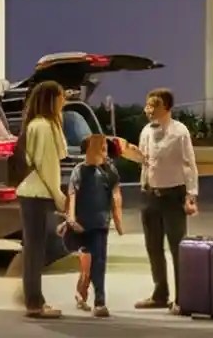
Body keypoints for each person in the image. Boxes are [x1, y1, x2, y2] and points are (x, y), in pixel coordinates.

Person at [118, 88, 199, 313]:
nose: (150, 109)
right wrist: (128, 152)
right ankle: (160, 293)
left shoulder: (179, 132)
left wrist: (191, 196)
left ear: (167, 108)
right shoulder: (146, 131)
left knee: (177, 247)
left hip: (173, 195)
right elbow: (144, 160)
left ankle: (183, 297)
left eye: (155, 104)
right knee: (153, 247)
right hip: (150, 195)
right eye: (148, 104)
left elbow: (189, 165)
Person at [16, 80, 68, 320]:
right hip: (37, 194)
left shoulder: (36, 125)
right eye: (61, 96)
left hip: (32, 193)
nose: (64, 101)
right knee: (36, 250)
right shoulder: (44, 127)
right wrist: (59, 197)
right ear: (51, 100)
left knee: (34, 248)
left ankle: (32, 298)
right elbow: (47, 166)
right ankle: (34, 302)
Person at [62, 134, 123, 318]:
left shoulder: (109, 171)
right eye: (99, 149)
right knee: (87, 265)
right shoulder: (79, 171)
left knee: (99, 263)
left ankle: (100, 302)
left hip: (99, 227)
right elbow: (71, 195)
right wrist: (71, 219)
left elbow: (116, 196)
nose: (103, 153)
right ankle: (82, 290)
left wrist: (118, 220)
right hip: (80, 227)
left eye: (105, 149)